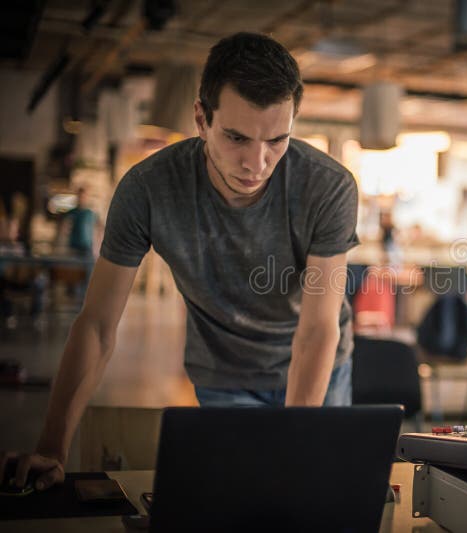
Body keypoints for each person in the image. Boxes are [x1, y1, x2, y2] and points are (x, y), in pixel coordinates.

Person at [0, 32, 359, 491]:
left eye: (276, 140)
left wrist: (294, 442)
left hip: (320, 370)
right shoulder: (148, 189)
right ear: (200, 118)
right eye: (236, 137)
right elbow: (96, 325)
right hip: (225, 372)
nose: (257, 162)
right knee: (241, 500)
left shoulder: (328, 188)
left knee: (312, 496)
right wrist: (52, 447)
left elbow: (317, 329)